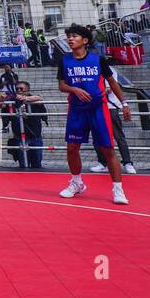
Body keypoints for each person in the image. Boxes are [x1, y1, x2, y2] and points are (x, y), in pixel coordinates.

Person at [57, 24, 130, 205]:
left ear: (85, 40)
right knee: (72, 148)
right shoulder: (65, 60)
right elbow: (61, 85)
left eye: (74, 36)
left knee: (107, 149)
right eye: (69, 36)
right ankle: (77, 183)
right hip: (76, 110)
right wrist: (74, 89)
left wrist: (124, 104)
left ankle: (118, 190)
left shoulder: (98, 59)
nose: (70, 39)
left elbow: (112, 83)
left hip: (98, 109)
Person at [90, 85, 138, 176]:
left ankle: (127, 163)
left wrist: (96, 92)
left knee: (119, 136)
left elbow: (110, 88)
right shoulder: (92, 71)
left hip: (111, 108)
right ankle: (103, 163)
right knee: (97, 137)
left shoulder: (110, 71)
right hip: (97, 108)